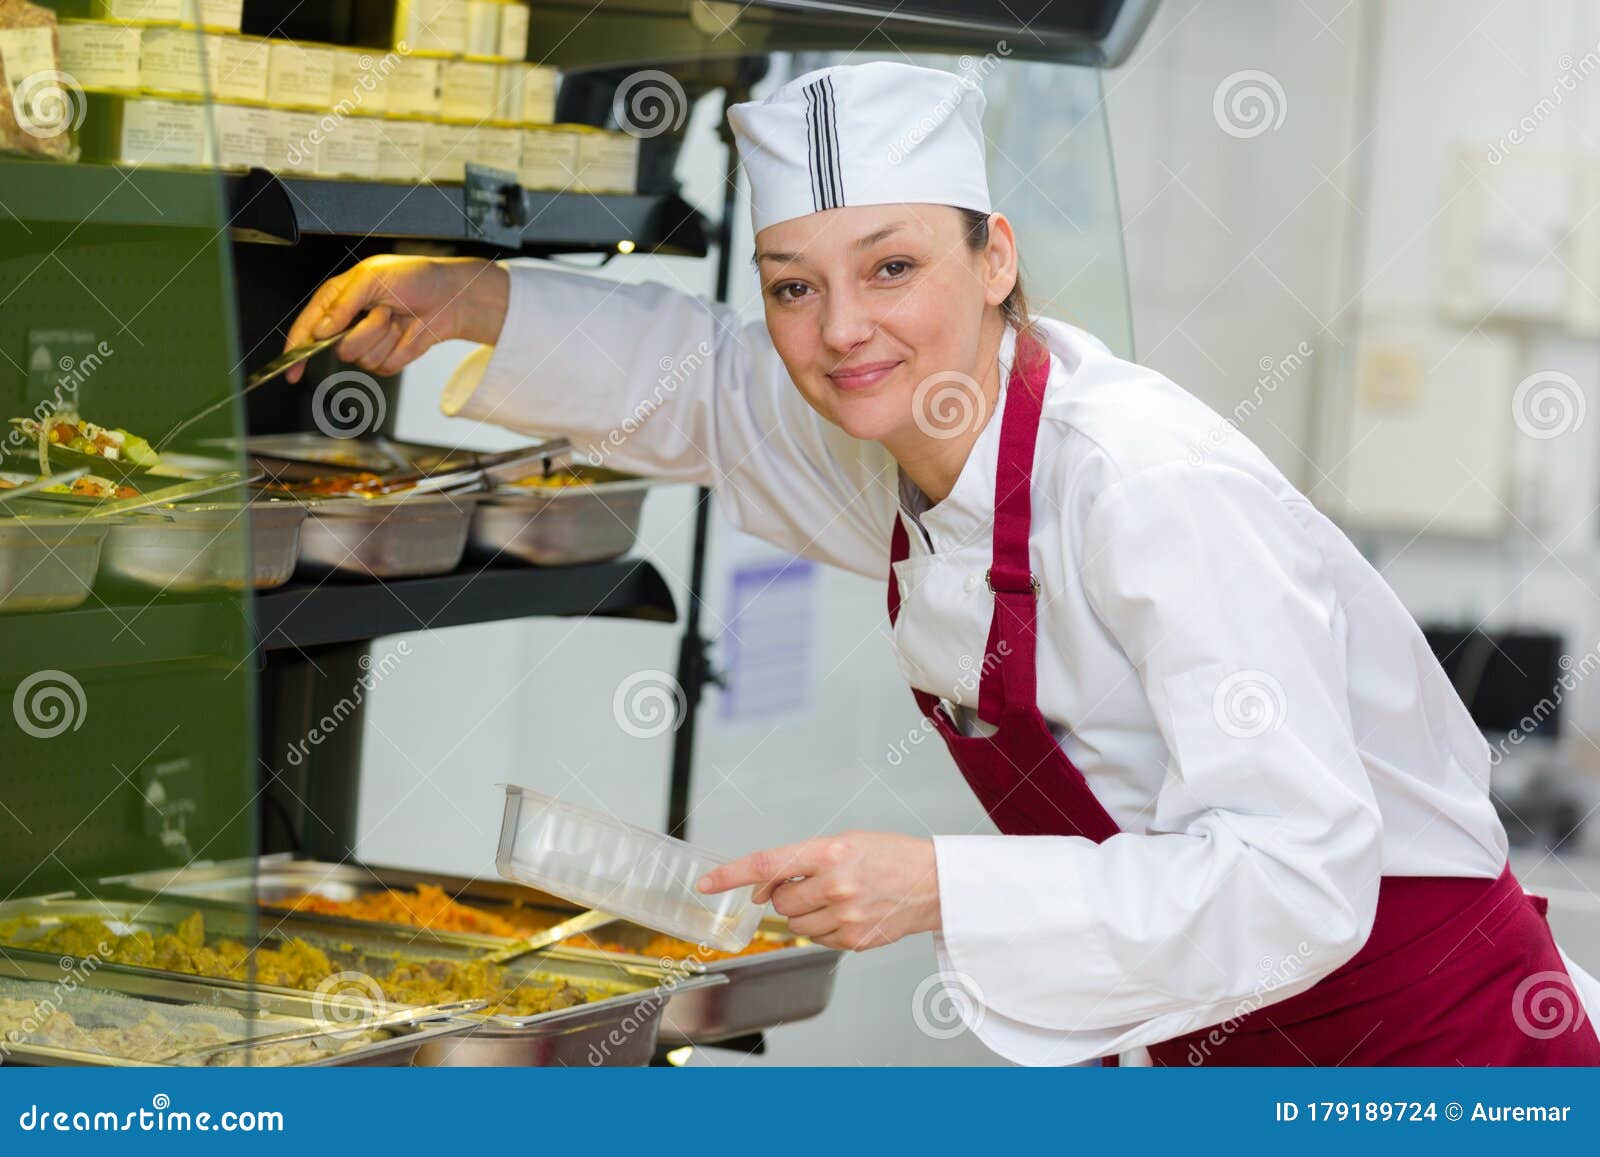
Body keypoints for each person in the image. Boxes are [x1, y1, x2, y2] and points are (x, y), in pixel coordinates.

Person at [284, 61, 1600, 1066]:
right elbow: (703, 391)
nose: (841, 330)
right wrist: (464, 299)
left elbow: (1297, 879)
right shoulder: (917, 441)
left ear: (996, 257)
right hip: (1234, 1049)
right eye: (793, 284)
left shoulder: (1145, 486)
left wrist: (936, 883)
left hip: (1437, 1050)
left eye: (893, 266)